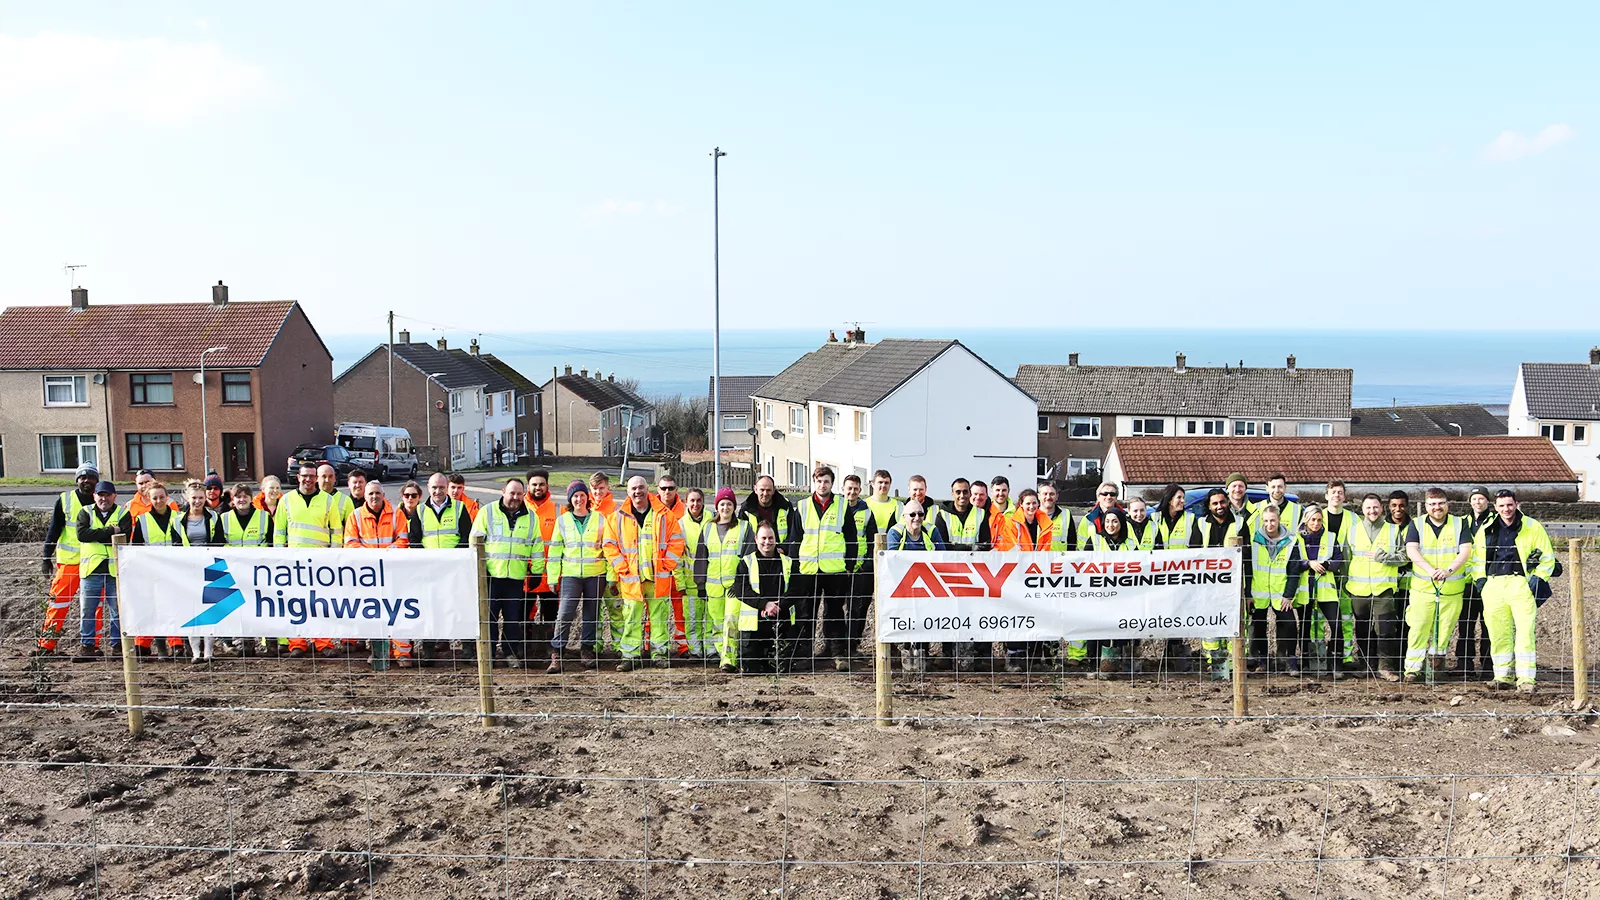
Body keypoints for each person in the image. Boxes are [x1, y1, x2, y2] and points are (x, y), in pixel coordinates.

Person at [1471, 489, 1555, 692]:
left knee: (1525, 633)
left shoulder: (1532, 526)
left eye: (1509, 505)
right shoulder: (1487, 528)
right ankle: (1502, 676)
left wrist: (1534, 582)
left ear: (1516, 504)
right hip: (1494, 585)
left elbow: (1547, 558)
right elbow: (1477, 559)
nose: (1506, 509)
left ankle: (1526, 680)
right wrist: (1482, 583)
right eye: (1501, 506)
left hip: (1521, 584)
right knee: (1499, 634)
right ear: (1495, 507)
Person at [603, 476, 686, 670]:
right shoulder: (617, 517)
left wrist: (666, 565)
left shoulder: (664, 515)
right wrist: (622, 568)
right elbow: (609, 545)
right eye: (633, 488)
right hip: (631, 579)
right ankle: (630, 656)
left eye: (641, 487)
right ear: (628, 491)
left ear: (647, 489)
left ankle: (659, 654)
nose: (637, 491)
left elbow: (677, 542)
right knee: (631, 617)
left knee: (659, 618)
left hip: (658, 578)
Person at [1402, 488, 1472, 683]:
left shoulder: (1460, 524)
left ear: (1447, 504)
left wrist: (1448, 570)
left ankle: (1435, 667)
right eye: (1432, 504)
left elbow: (1465, 551)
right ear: (1426, 506)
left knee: (1444, 630)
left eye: (1441, 503)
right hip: (1422, 589)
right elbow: (1411, 550)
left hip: (1451, 589)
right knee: (1418, 628)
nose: (1437, 507)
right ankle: (1412, 670)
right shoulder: (1416, 524)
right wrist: (1430, 570)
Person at [792, 466, 859, 671]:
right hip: (808, 570)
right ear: (814, 482)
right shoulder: (802, 507)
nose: (823, 485)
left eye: (827, 481)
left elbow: (851, 538)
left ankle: (838, 654)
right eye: (819, 481)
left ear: (832, 483)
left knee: (835, 613)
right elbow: (795, 540)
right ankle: (805, 655)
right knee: (806, 614)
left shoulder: (842, 505)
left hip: (835, 570)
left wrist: (849, 566)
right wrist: (795, 568)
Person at [275, 464, 343, 658]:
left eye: (312, 476)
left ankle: (323, 642)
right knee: (294, 603)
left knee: (321, 603)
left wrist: (332, 557)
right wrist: (282, 557)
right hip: (293, 563)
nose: (308, 480)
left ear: (316, 478)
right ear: (298, 477)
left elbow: (336, 531)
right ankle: (297, 643)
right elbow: (279, 532)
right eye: (305, 476)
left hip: (321, 563)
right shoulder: (286, 501)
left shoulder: (328, 501)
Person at [470, 478, 537, 668]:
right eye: (512, 493)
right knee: (488, 617)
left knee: (512, 618)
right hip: (491, 576)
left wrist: (537, 571)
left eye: (519, 494)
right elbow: (474, 541)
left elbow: (537, 546)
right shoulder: (487, 512)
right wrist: (478, 569)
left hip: (515, 577)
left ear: (524, 495)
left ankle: (510, 652)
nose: (515, 497)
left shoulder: (531, 517)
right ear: (503, 492)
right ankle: (488, 655)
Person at [407, 473, 473, 666]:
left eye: (441, 488)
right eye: (434, 487)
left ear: (447, 488)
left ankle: (467, 650)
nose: (438, 491)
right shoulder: (419, 511)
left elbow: (466, 537)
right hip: (430, 572)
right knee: (430, 611)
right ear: (428, 488)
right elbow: (414, 540)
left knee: (460, 609)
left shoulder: (460, 508)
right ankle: (428, 651)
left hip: (455, 570)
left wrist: (452, 560)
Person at [346, 480, 412, 666]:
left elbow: (403, 540)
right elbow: (350, 543)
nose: (374, 497)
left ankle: (403, 653)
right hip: (368, 575)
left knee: (398, 610)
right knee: (373, 614)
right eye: (370, 494)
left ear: (383, 495)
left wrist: (385, 553)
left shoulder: (396, 514)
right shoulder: (356, 516)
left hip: (393, 572)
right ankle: (379, 653)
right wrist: (371, 556)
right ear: (365, 497)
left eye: (377, 493)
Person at [35, 464, 99, 654]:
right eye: (82, 477)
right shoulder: (66, 500)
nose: (86, 480)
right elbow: (54, 530)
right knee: (58, 603)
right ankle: (46, 645)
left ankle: (91, 645)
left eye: (91, 477)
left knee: (95, 607)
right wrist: (46, 556)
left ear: (97, 481)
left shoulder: (102, 500)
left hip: (94, 563)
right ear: (77, 480)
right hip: (69, 563)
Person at [547, 481, 607, 672]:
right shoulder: (562, 521)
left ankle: (587, 650)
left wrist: (610, 574)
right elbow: (555, 551)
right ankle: (557, 652)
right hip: (571, 575)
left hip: (595, 574)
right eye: (575, 496)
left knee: (591, 615)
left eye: (582, 495)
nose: (579, 499)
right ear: (570, 500)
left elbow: (608, 548)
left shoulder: (600, 519)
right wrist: (552, 577)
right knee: (564, 614)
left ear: (587, 497)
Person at [1189, 488, 1248, 679]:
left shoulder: (1240, 523)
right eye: (1214, 503)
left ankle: (1234, 664)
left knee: (1234, 623)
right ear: (1208, 506)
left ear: (1228, 503)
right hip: (1208, 585)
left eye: (1222, 502)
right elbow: (1194, 554)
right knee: (1210, 624)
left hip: (1233, 584)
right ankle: (1214, 662)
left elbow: (1247, 557)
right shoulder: (1201, 524)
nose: (1219, 506)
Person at [993, 489, 1053, 672]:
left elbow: (1046, 549)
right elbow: (1011, 549)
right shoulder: (1012, 523)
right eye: (1028, 503)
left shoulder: (1045, 523)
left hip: (1037, 575)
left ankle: (1030, 657)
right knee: (1015, 615)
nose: (1031, 506)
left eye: (1034, 503)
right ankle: (1013, 656)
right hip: (1015, 575)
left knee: (1034, 614)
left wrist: (1038, 567)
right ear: (1021, 504)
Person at [1348, 493, 1406, 681]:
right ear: (1362, 510)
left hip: (1383, 589)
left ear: (1382, 508)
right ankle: (1366, 666)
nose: (1372, 511)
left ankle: (1385, 667)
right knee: (1362, 629)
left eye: (1375, 507)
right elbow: (1346, 558)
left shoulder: (1393, 530)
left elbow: (1404, 557)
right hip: (1358, 590)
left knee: (1385, 629)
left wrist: (1384, 557)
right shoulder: (1353, 530)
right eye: (1368, 508)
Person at [71, 482, 132, 662]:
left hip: (115, 570)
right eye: (100, 495)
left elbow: (125, 536)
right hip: (92, 570)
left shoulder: (123, 513)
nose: (103, 499)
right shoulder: (85, 512)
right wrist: (110, 531)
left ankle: (117, 647)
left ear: (114, 496)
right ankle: (88, 646)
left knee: (117, 610)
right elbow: (82, 535)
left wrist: (97, 534)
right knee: (87, 610)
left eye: (107, 495)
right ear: (95, 496)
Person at [129, 482, 190, 660]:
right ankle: (152, 646)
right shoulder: (143, 520)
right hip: (151, 572)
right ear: (149, 499)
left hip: (174, 571)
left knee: (174, 608)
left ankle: (177, 644)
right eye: (154, 498)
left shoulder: (179, 518)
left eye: (162, 497)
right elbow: (137, 547)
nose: (158, 501)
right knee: (151, 608)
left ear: (167, 497)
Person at [691, 488, 748, 672]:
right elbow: (701, 558)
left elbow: (749, 557)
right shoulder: (708, 528)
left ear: (734, 507)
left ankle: (729, 660)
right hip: (713, 587)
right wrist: (700, 584)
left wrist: (743, 582)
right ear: (717, 507)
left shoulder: (744, 528)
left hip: (735, 586)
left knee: (732, 621)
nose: (725, 507)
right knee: (716, 624)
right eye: (722, 504)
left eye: (729, 504)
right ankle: (722, 654)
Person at [884, 499, 944, 672]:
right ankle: (904, 654)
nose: (916, 518)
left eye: (920, 514)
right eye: (912, 514)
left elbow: (942, 556)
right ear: (904, 516)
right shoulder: (895, 532)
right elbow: (894, 559)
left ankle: (922, 653)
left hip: (927, 585)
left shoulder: (931, 530)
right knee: (905, 619)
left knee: (923, 619)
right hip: (902, 584)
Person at [731, 521, 797, 674]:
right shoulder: (746, 563)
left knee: (781, 671)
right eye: (763, 538)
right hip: (753, 629)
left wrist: (777, 606)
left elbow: (796, 589)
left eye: (770, 538)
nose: (767, 542)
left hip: (781, 625)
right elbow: (740, 589)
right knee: (750, 672)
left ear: (775, 539)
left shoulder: (788, 563)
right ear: (756, 539)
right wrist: (763, 605)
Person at [1247, 505, 1306, 676]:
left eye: (1273, 520)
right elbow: (1248, 569)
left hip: (1281, 593)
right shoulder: (1254, 540)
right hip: (1259, 593)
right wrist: (1248, 594)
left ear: (1279, 519)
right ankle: (1262, 660)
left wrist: (1288, 595)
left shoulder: (1291, 540)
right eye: (1266, 521)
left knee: (1289, 625)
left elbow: (1294, 570)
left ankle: (1289, 661)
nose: (1269, 524)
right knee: (1258, 626)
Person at [1293, 505, 1347, 678]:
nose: (1316, 523)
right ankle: (1307, 662)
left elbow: (1338, 559)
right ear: (1306, 520)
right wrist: (1308, 563)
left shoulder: (1331, 537)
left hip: (1327, 591)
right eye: (1312, 520)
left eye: (1319, 520)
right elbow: (1293, 560)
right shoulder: (1297, 538)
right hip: (1305, 590)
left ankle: (1335, 662)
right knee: (1305, 626)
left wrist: (1326, 565)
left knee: (1336, 625)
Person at [1151, 483, 1198, 671]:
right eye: (1179, 498)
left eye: (1183, 498)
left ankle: (1174, 652)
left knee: (1178, 615)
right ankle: (1164, 652)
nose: (1182, 501)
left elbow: (1195, 547)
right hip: (1160, 576)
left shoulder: (1190, 519)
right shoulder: (1154, 519)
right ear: (1169, 499)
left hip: (1182, 576)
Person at [1086, 507, 1135, 677]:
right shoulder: (1095, 540)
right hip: (1098, 592)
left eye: (1114, 521)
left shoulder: (1130, 543)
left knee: (1118, 628)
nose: (1111, 525)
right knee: (1095, 627)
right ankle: (1093, 663)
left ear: (1121, 523)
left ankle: (1114, 663)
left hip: (1121, 594)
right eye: (1107, 521)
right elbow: (1084, 564)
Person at [1453, 487, 1496, 677]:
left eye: (1481, 498)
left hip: (1489, 582)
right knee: (1466, 626)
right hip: (1467, 583)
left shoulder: (1496, 521)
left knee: (1489, 626)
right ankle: (1465, 665)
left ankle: (1488, 666)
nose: (1477, 502)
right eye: (1474, 499)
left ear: (1488, 501)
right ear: (1470, 502)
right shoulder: (1462, 523)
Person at [180, 480, 224, 660]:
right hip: (188, 569)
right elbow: (176, 543)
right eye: (193, 498)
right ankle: (196, 652)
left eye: (200, 498)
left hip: (210, 567)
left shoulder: (213, 517)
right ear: (187, 498)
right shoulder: (178, 520)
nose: (197, 502)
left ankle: (208, 652)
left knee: (210, 608)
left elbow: (219, 541)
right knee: (191, 610)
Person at [522, 469, 561, 670]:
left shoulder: (557, 510)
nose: (538, 488)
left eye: (541, 484)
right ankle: (525, 648)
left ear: (548, 486)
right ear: (527, 486)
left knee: (551, 614)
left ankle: (551, 648)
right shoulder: (520, 508)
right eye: (534, 484)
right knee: (524, 613)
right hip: (525, 575)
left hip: (550, 575)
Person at [650, 475, 689, 656]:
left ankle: (683, 646)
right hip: (657, 570)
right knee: (654, 611)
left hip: (680, 571)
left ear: (676, 490)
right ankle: (650, 646)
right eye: (663, 488)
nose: (667, 491)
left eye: (671, 488)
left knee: (681, 611)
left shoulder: (685, 511)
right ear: (658, 490)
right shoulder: (650, 510)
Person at [840, 474, 875, 669]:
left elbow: (872, 541)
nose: (851, 492)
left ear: (860, 491)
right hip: (838, 567)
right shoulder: (837, 509)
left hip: (859, 568)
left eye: (855, 489)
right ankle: (835, 645)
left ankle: (852, 645)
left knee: (858, 608)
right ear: (843, 489)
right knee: (835, 608)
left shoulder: (866, 512)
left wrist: (865, 564)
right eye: (849, 488)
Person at [1321, 480, 1358, 671]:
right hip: (1322, 575)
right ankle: (1318, 656)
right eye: (1333, 492)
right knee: (1317, 619)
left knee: (1345, 617)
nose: (1337, 495)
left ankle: (1346, 655)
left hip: (1345, 574)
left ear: (1344, 496)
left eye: (1340, 492)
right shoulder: (1318, 517)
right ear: (1326, 495)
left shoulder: (1353, 519)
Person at [676, 487, 713, 659]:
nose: (695, 504)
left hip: (712, 580)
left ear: (703, 501)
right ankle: (696, 652)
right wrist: (680, 583)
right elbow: (677, 558)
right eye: (692, 500)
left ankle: (713, 650)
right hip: (690, 583)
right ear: (686, 502)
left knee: (712, 618)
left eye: (698, 500)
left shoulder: (713, 520)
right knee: (693, 620)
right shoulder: (681, 525)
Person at [739, 475, 796, 556]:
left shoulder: (785, 506)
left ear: (773, 490)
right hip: (755, 556)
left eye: (768, 490)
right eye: (762, 490)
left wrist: (783, 548)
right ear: (755, 490)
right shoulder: (746, 509)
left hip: (781, 556)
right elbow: (742, 537)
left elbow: (793, 532)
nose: (765, 494)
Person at [1077, 482, 1125, 546]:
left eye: (1112, 494)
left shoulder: (1126, 518)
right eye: (1105, 494)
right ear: (1098, 497)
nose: (1108, 497)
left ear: (1116, 498)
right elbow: (1081, 543)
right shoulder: (1088, 519)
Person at [1037, 480, 1075, 551]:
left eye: (1052, 494)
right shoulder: (1032, 515)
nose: (1048, 497)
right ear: (1038, 496)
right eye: (1045, 494)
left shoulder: (1066, 515)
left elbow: (1072, 543)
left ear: (1057, 496)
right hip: (1037, 560)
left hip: (1060, 560)